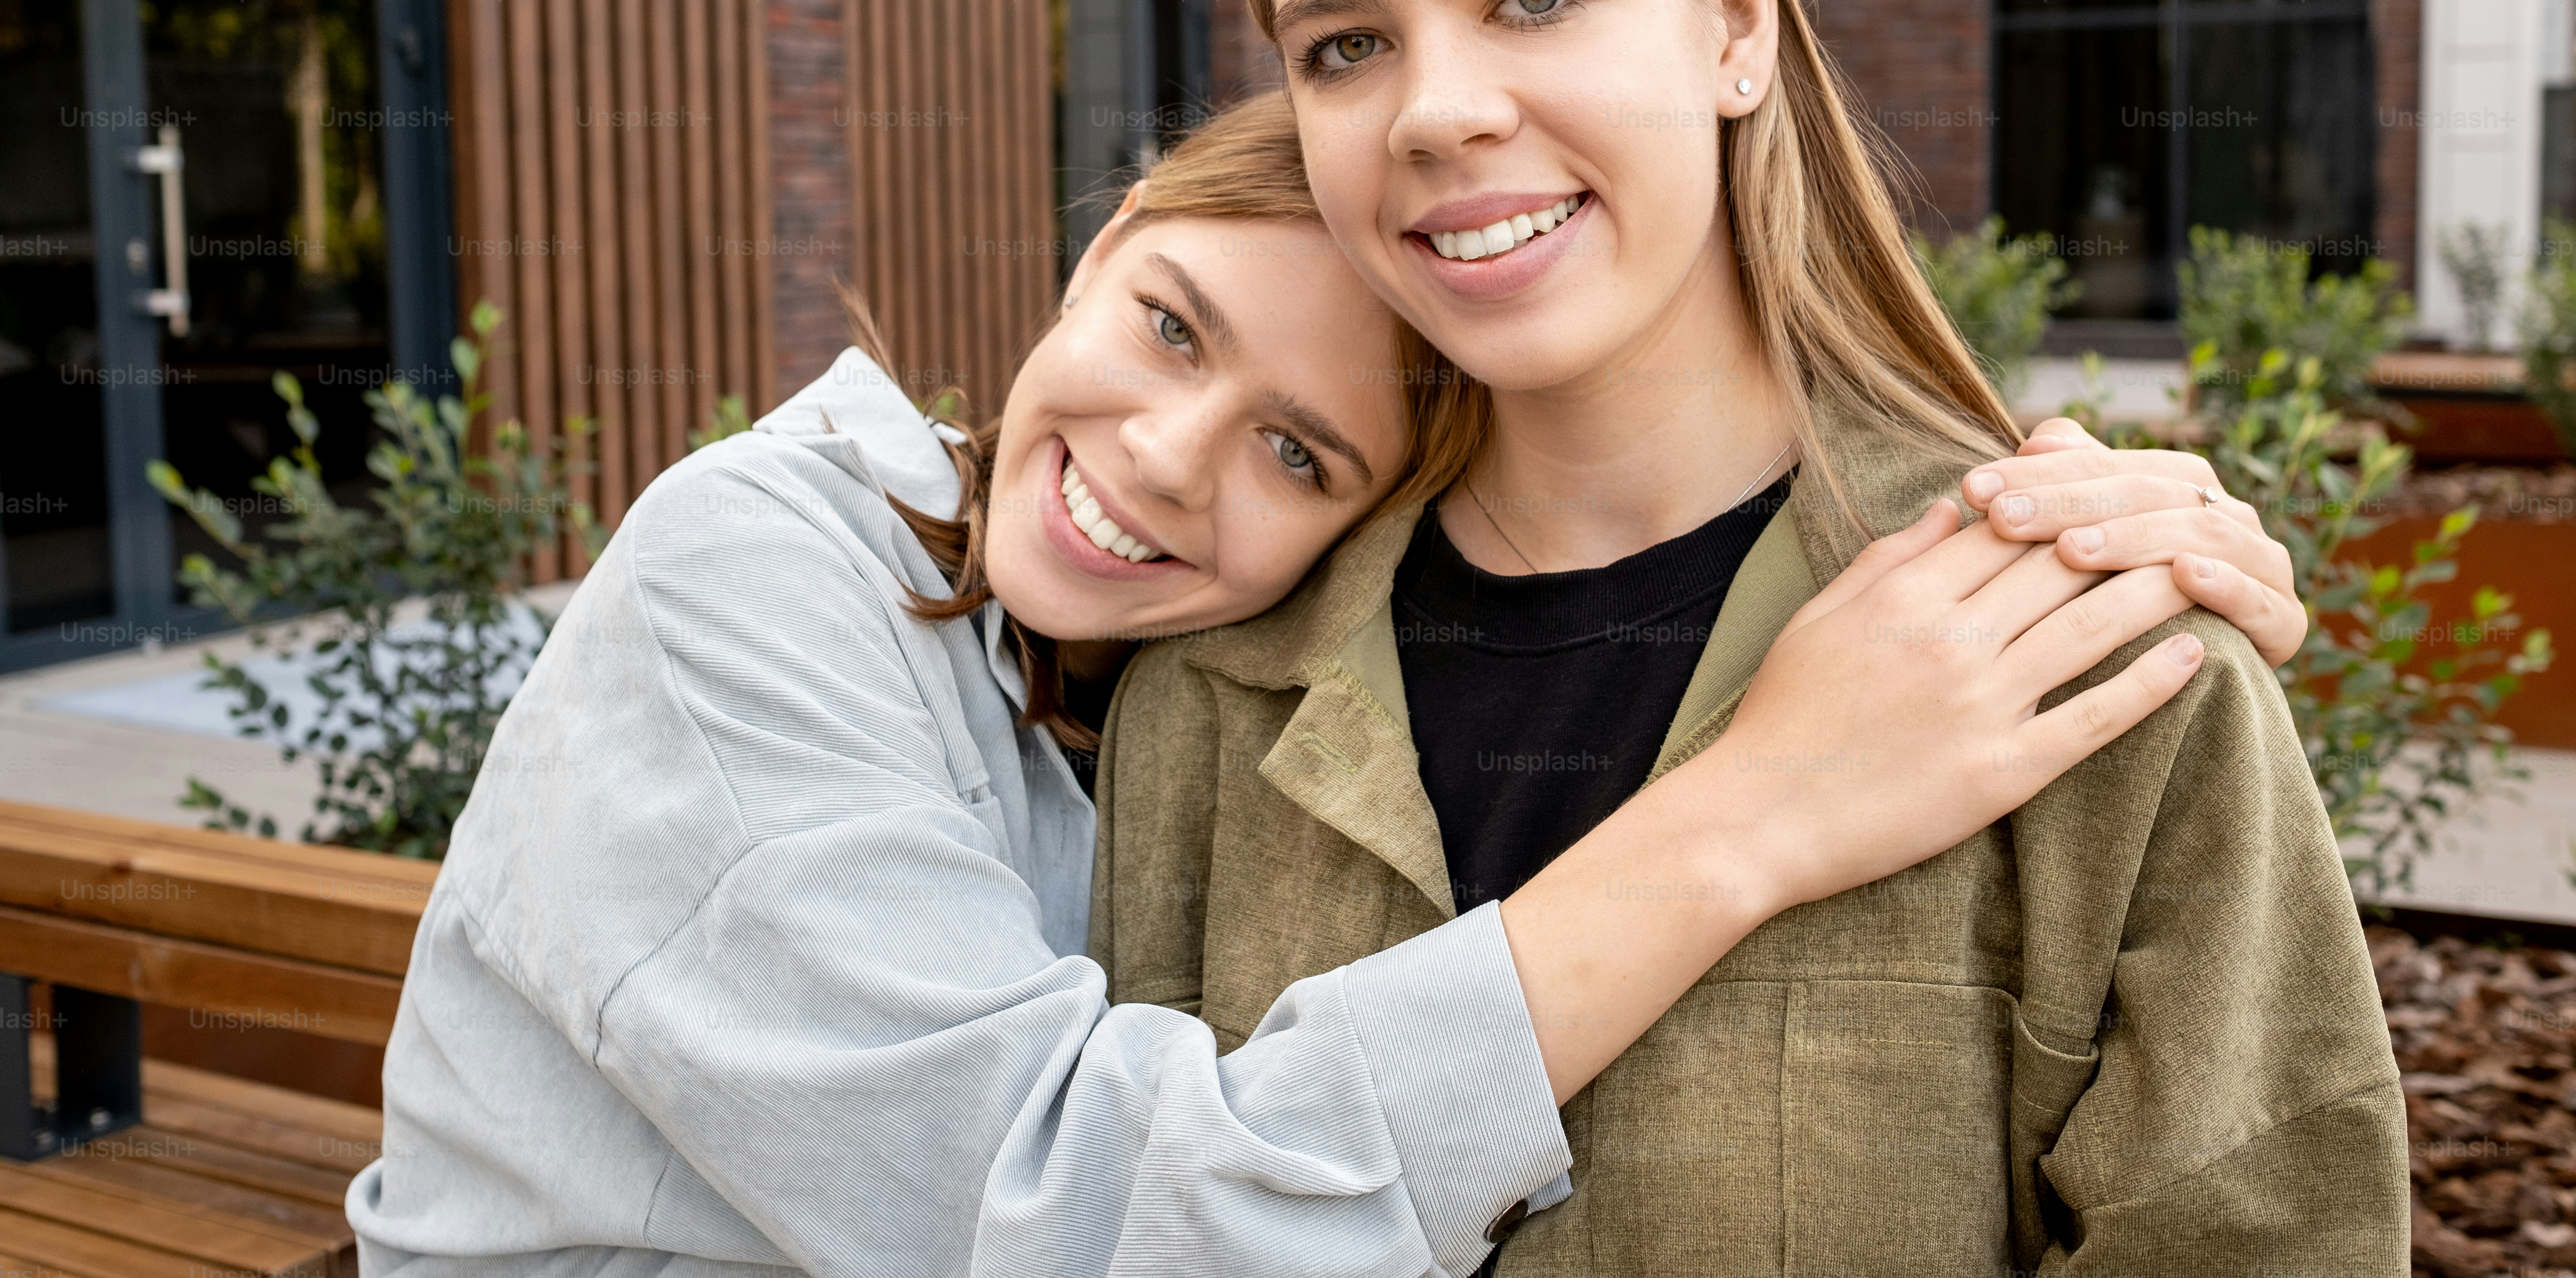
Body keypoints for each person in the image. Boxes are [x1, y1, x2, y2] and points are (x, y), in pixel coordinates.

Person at [352, 92, 2306, 1278]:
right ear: (1103, 239)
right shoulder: (755, 571)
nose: (1169, 456)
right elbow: (1078, 1218)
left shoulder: (1175, 660)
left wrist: (2087, 517)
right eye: (1167, 322)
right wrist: (1754, 814)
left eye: (1302, 453)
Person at [1091, 0, 2406, 1277]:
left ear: (1733, 19)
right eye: (1344, 45)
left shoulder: (2092, 654)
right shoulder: (1210, 690)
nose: (1436, 109)